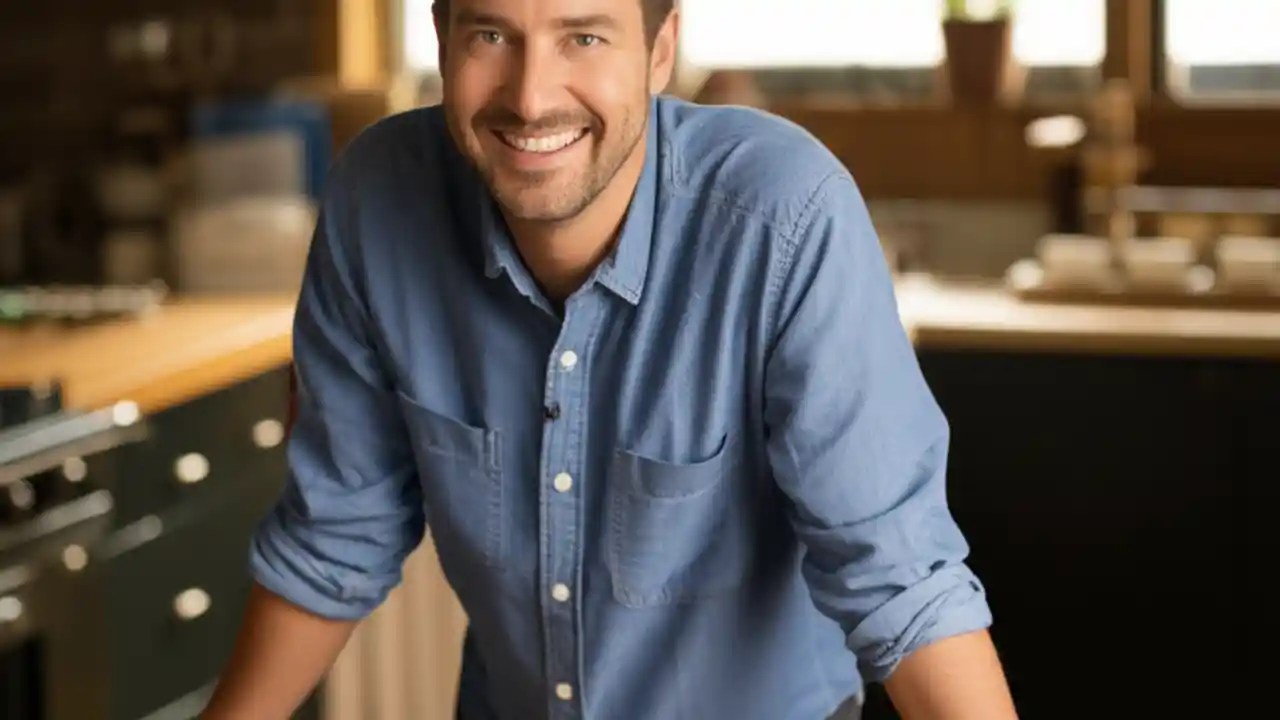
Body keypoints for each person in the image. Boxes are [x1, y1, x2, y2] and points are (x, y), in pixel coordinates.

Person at [203, 0, 1018, 718]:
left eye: (583, 37)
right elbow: (335, 537)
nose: (530, 97)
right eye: (491, 33)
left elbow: (903, 586)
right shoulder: (374, 201)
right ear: (441, 40)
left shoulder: (784, 218)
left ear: (661, 50)